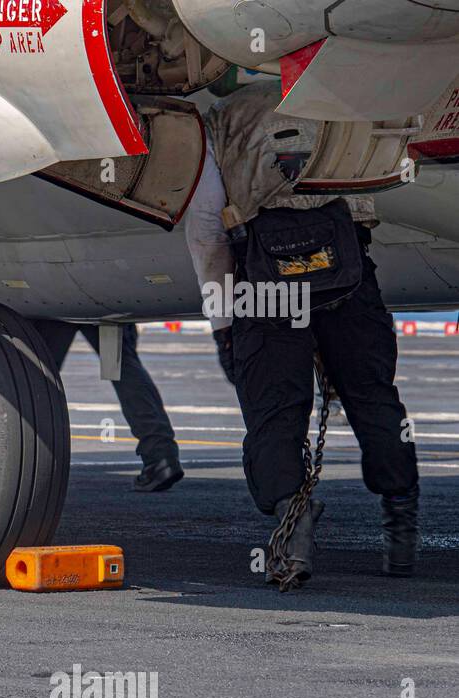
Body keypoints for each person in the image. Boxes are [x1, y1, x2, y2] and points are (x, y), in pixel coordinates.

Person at [185, 81, 419, 581]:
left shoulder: (222, 122)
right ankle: (401, 519)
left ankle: (295, 531)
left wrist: (224, 323)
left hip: (266, 284)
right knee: (374, 398)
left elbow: (206, 229)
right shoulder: (342, 97)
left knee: (273, 412)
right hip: (347, 273)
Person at [33, 320, 183, 491]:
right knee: (122, 367)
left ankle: (30, 460)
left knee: (37, 371)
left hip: (57, 305)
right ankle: (160, 456)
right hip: (102, 307)